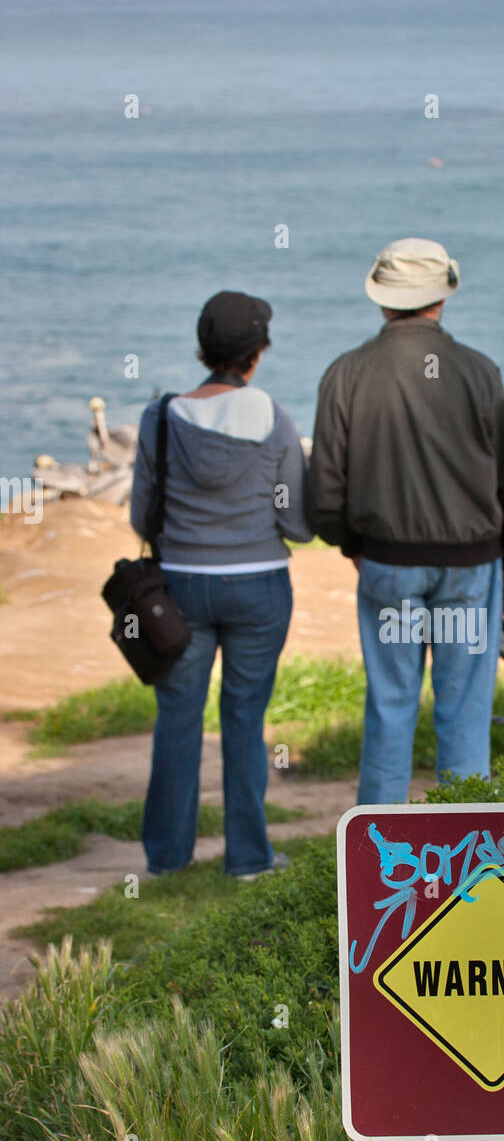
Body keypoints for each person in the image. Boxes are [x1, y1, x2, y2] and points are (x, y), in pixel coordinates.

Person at [306, 238, 504, 804]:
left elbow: (324, 492)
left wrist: (353, 545)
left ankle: (377, 866)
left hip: (387, 565)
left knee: (390, 706)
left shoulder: (345, 374)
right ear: (442, 298)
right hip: (470, 567)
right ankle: (469, 860)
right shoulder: (481, 372)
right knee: (464, 714)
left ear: (382, 300)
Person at [130, 290, 312, 879]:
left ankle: (166, 859)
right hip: (259, 588)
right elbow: (295, 522)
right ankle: (249, 858)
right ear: (257, 354)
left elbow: (141, 516)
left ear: (204, 350)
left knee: (178, 719)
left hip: (179, 590)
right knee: (244, 718)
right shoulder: (276, 419)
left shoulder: (161, 417)